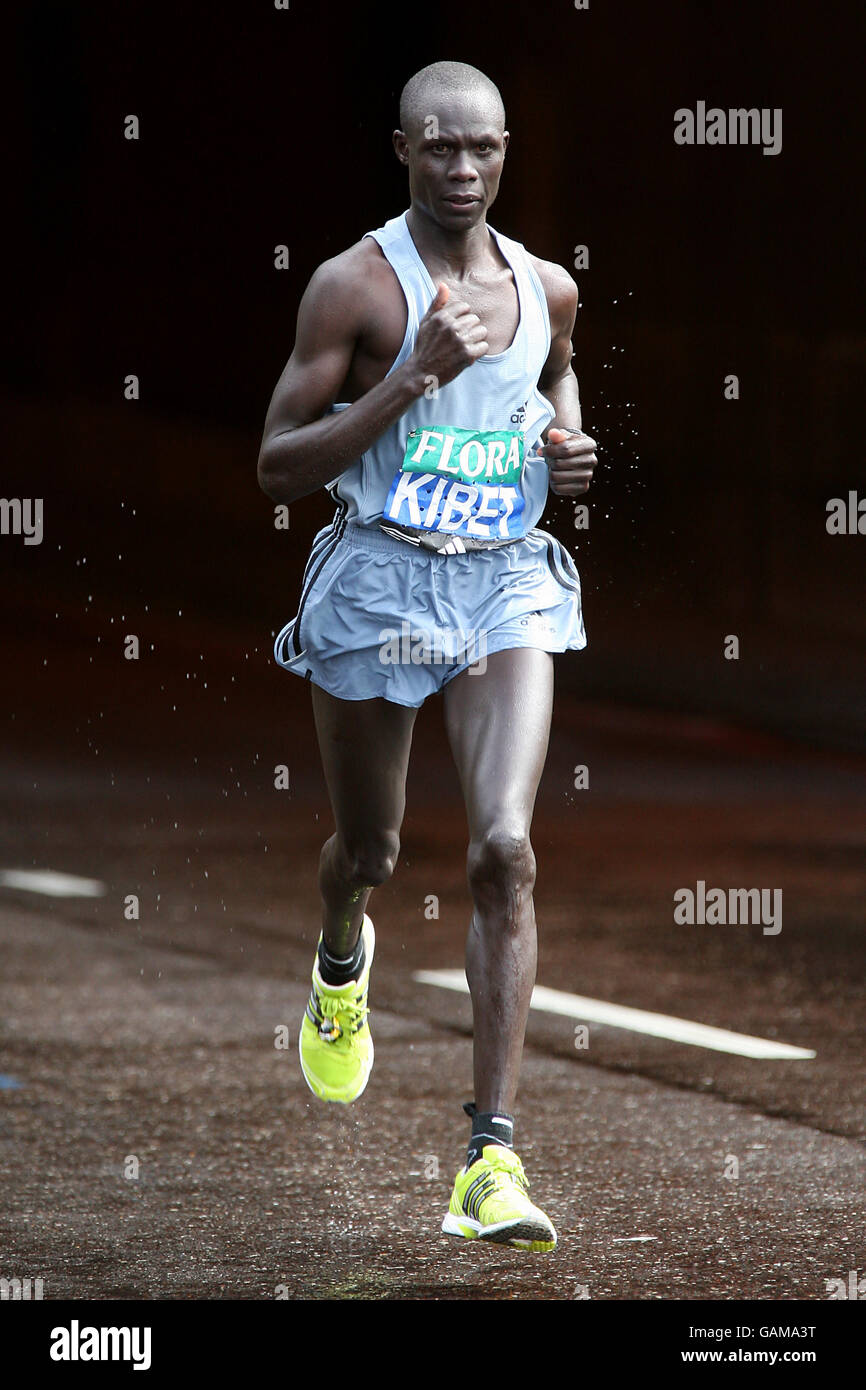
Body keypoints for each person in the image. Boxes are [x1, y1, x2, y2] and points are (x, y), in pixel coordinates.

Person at [257, 59, 597, 1252]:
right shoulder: (352, 287)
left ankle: (487, 1157)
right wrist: (413, 379)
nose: (463, 171)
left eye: (484, 150)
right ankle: (340, 955)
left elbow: (552, 381)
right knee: (374, 847)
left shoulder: (546, 288)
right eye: (439, 150)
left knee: (504, 850)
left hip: (501, 579)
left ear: (507, 151)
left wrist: (566, 447)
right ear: (399, 149)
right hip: (379, 574)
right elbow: (278, 467)